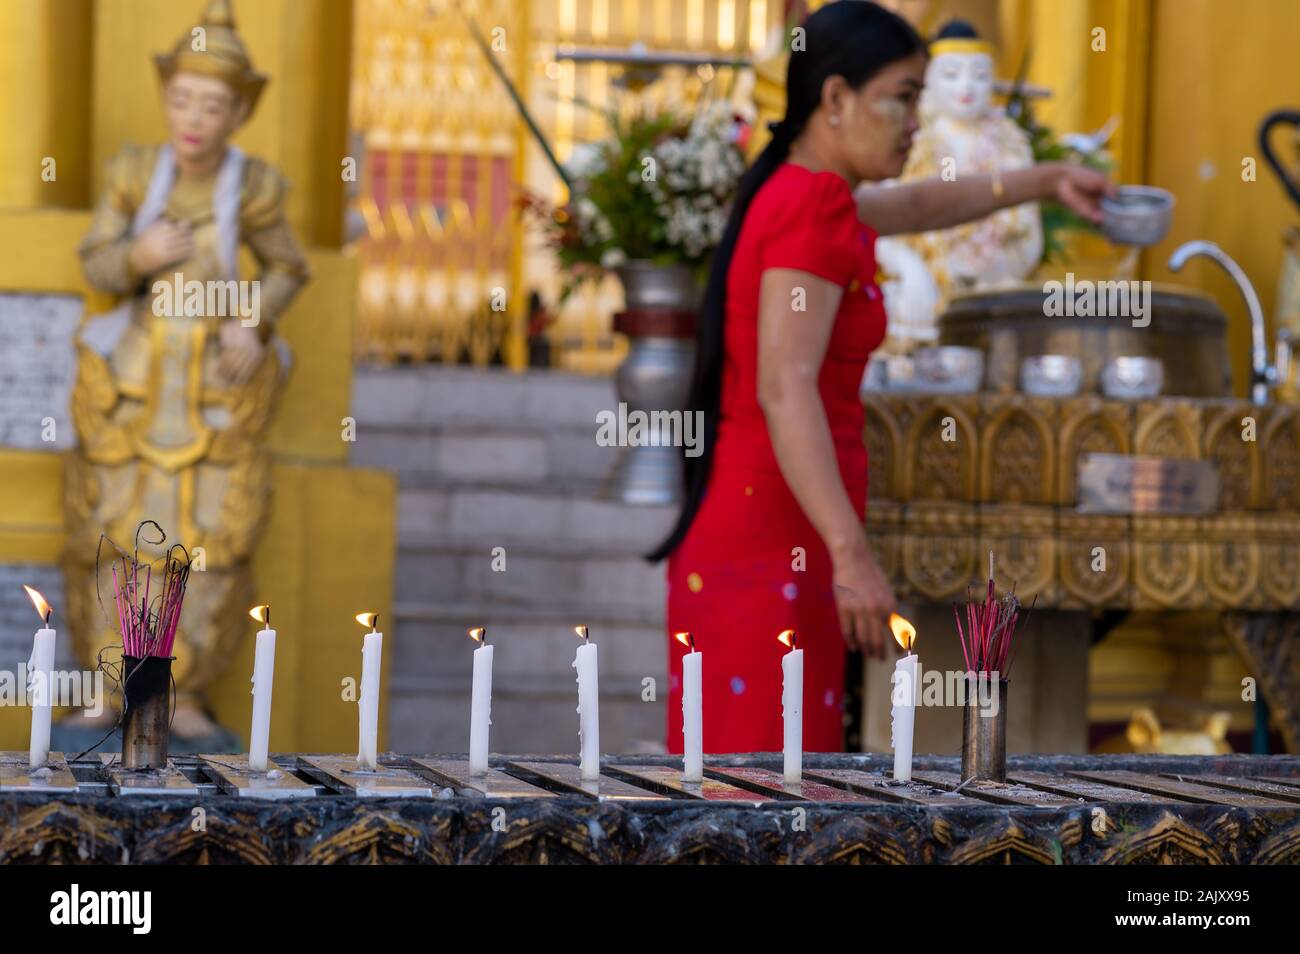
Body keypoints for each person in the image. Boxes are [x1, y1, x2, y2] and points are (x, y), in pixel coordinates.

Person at [648, 1, 1109, 754]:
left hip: (769, 536)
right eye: (902, 96)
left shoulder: (810, 192)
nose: (916, 120)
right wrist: (851, 555)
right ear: (835, 99)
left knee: (765, 797)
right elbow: (784, 385)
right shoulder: (812, 204)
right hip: (770, 547)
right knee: (764, 807)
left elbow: (923, 203)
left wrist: (1046, 180)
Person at [63, 0, 309, 740]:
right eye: (183, 100)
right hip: (137, 388)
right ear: (166, 99)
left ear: (238, 111)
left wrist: (253, 319)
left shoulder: (254, 186)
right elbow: (98, 261)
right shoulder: (137, 172)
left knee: (204, 540)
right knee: (117, 535)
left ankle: (182, 688)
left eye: (213, 104)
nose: (194, 117)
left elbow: (289, 268)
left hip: (214, 390)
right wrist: (137, 258)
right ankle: (113, 687)